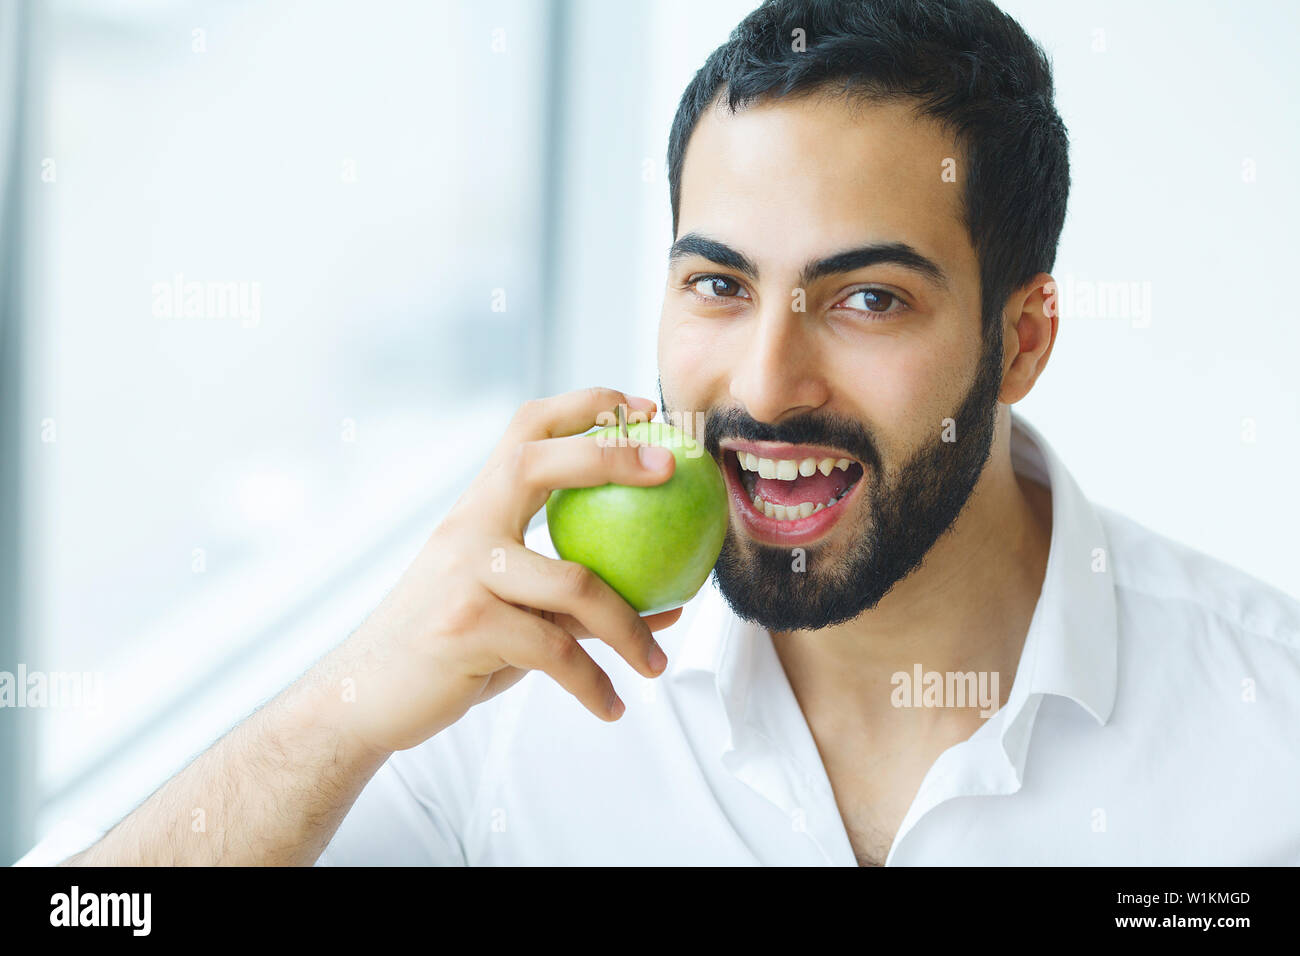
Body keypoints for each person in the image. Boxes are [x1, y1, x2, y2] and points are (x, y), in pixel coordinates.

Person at [25, 0, 1300, 867]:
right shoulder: (500, 687)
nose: (765, 382)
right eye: (717, 283)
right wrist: (338, 714)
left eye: (866, 298)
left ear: (1020, 338)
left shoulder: (1266, 727)